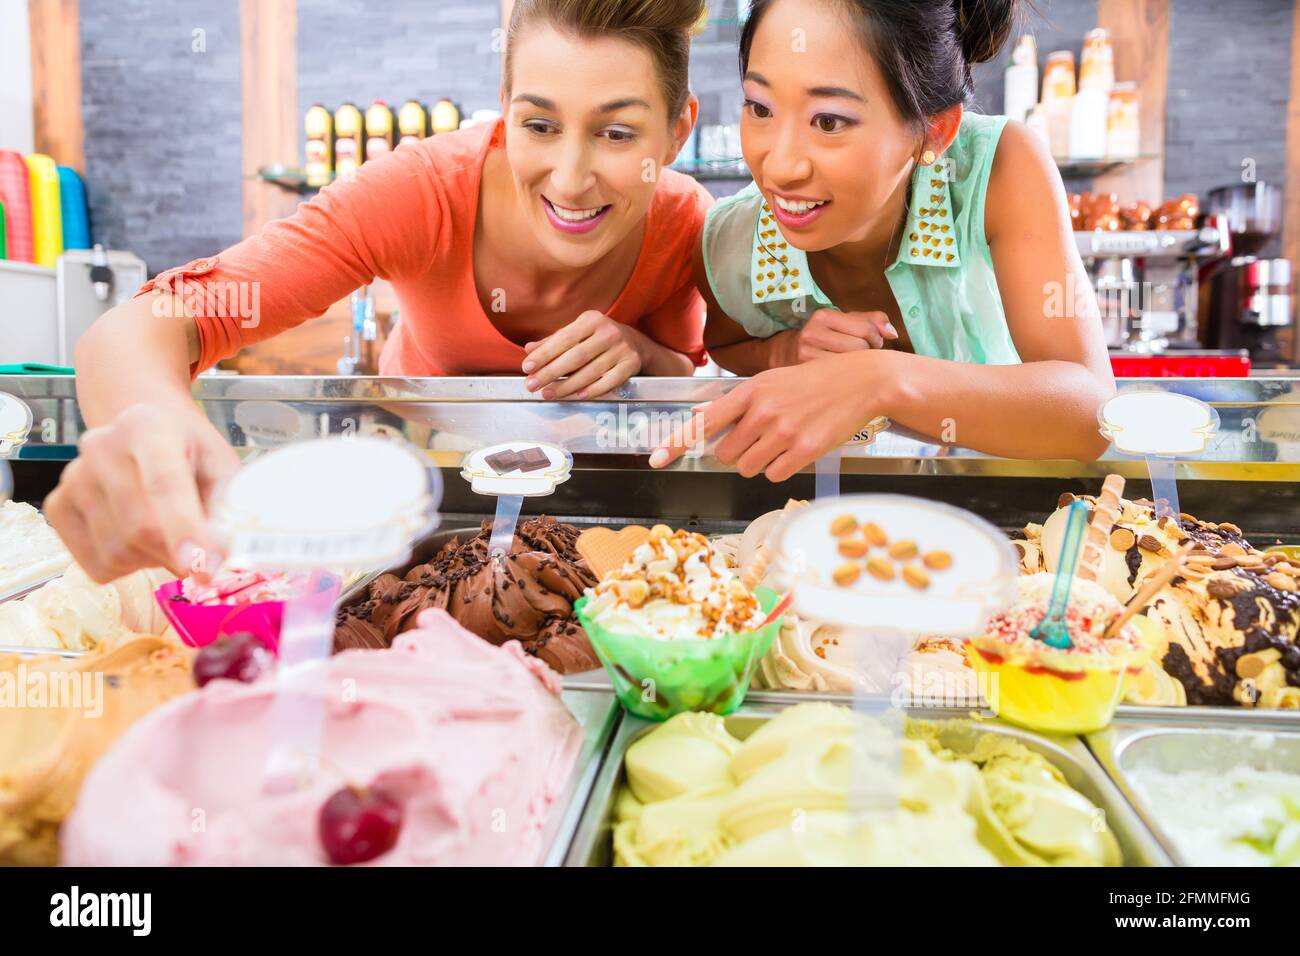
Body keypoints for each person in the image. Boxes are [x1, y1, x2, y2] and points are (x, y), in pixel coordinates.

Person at [49, 0, 711, 582]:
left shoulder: (685, 222)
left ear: (677, 130)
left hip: (613, 526)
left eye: (617, 134)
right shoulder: (420, 191)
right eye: (539, 125)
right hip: (427, 512)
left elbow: (683, 385)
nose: (569, 180)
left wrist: (640, 354)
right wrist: (159, 429)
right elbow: (145, 326)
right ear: (505, 111)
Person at [652, 0, 1115, 481]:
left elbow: (1091, 413)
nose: (779, 167)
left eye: (828, 121)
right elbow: (730, 344)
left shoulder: (998, 168)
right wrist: (785, 352)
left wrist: (879, 379)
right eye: (760, 108)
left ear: (934, 131)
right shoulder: (731, 241)